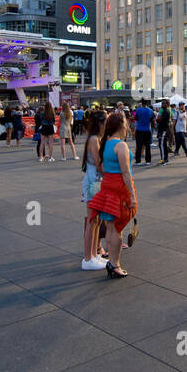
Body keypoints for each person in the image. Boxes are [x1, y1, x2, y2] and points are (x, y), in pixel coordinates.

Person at [87, 110, 137, 279]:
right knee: (117, 228)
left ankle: (112, 262)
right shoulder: (120, 145)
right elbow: (125, 173)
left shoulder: (106, 142)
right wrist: (131, 195)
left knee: (110, 226)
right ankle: (115, 263)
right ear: (121, 125)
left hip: (108, 186)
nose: (128, 125)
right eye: (126, 122)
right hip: (119, 188)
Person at [80, 109, 108, 270]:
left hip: (95, 181)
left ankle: (94, 255)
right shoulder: (94, 140)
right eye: (106, 122)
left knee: (96, 220)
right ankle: (88, 257)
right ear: (100, 123)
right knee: (92, 220)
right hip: (93, 182)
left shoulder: (96, 138)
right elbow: (99, 163)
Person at [133, 99, 155, 165]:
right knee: (147, 146)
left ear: (141, 104)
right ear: (147, 104)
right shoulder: (150, 111)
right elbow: (152, 119)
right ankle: (148, 161)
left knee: (139, 145)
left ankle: (138, 161)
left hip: (139, 129)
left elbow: (136, 118)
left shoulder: (138, 110)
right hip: (147, 130)